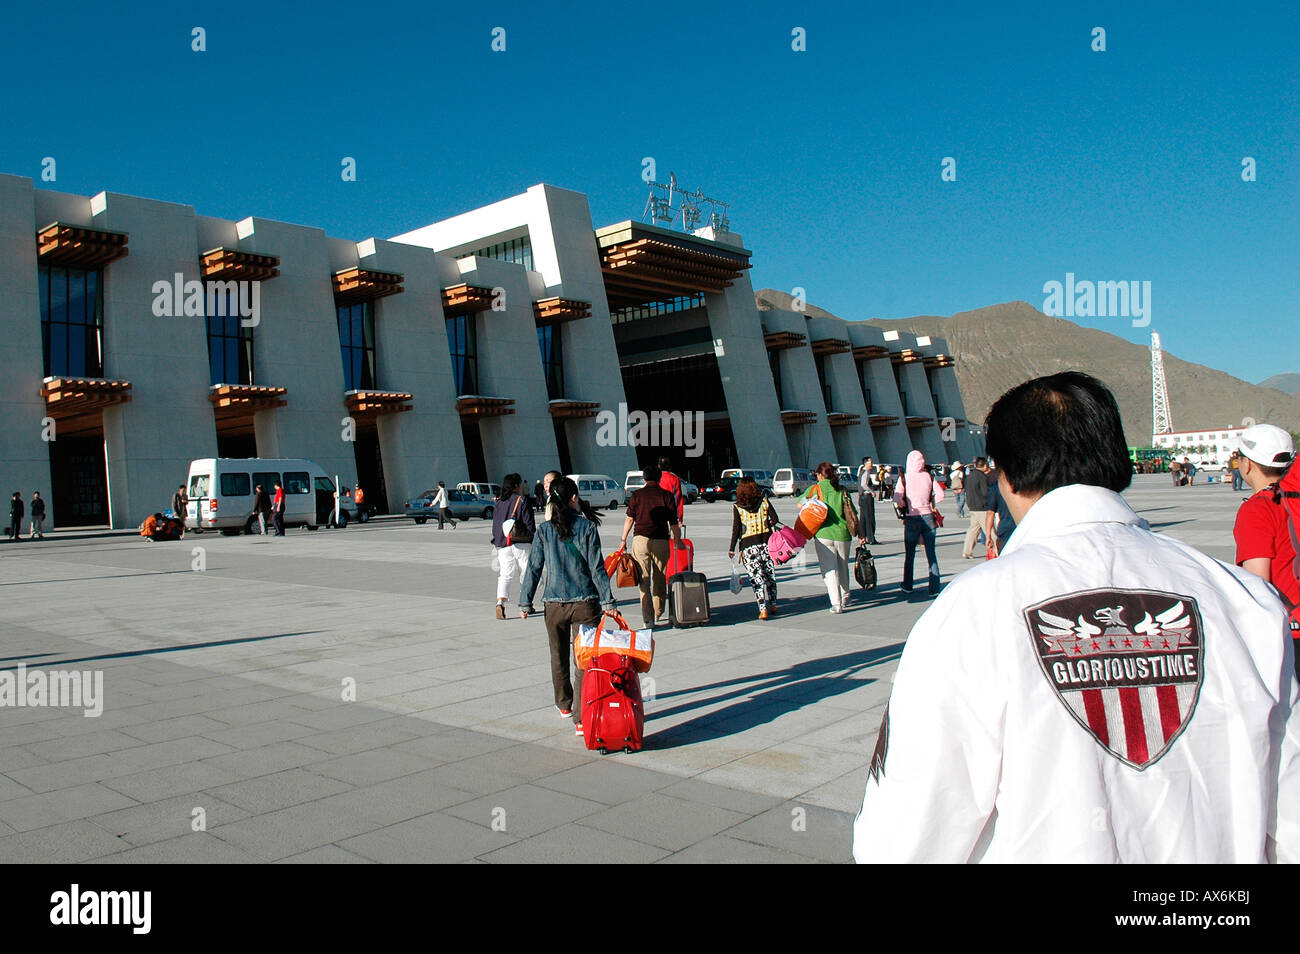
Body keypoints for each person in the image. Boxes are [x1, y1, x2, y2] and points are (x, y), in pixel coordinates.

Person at [853, 371, 1300, 863]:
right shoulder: (1245, 600)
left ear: (1008, 477)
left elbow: (904, 839)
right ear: (1116, 463)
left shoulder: (971, 609)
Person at [519, 476, 617, 737]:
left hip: (553, 605)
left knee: (557, 654)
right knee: (583, 660)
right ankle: (581, 718)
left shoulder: (544, 531)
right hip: (584, 603)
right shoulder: (586, 528)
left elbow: (534, 568)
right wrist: (608, 601)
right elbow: (597, 568)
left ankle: (564, 704)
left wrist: (525, 601)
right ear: (574, 498)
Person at [1232, 424, 1299, 677]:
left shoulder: (1258, 509)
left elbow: (1258, 582)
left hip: (1290, 630)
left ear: (1246, 464)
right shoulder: (1293, 499)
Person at [619, 464, 682, 627]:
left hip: (640, 540)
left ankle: (648, 619)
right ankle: (658, 611)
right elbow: (673, 521)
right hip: (661, 540)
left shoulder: (637, 495)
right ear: (659, 478)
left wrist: (623, 539)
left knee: (643, 579)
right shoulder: (666, 495)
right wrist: (678, 539)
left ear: (644, 479)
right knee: (659, 577)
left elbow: (629, 519)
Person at [800, 461, 865, 613]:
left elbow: (800, 504)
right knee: (843, 566)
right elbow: (852, 512)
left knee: (829, 570)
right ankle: (846, 595)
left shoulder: (815, 489)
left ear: (820, 475)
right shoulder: (841, 490)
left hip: (823, 534)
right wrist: (861, 533)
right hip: (843, 533)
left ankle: (836, 604)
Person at [728, 477, 780, 620]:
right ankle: (774, 604)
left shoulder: (738, 506)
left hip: (749, 547)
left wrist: (732, 548)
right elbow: (775, 519)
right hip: (766, 545)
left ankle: (762, 609)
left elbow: (736, 529)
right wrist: (767, 524)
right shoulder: (764, 501)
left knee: (757, 578)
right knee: (770, 576)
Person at [893, 450, 944, 595]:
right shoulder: (928, 476)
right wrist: (930, 502)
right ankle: (934, 588)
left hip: (911, 516)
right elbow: (940, 495)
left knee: (910, 554)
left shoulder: (905, 478)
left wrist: (905, 503)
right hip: (928, 516)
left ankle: (908, 585)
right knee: (931, 553)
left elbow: (897, 498)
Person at [492, 473, 536, 620]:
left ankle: (500, 602)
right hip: (521, 542)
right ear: (516, 486)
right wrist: (534, 536)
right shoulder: (521, 500)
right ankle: (525, 604)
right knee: (525, 571)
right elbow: (529, 522)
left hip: (503, 544)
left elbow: (495, 525)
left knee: (505, 574)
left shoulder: (499, 502)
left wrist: (498, 542)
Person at [984, 462, 1016, 556]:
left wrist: (988, 535)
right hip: (1022, 530)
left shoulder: (995, 487)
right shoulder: (1023, 485)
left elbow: (990, 513)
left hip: (1005, 530)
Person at [962, 457, 990, 559]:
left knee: (973, 530)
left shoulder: (969, 476)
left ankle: (967, 551)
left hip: (972, 506)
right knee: (990, 530)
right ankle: (996, 549)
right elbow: (985, 492)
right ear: (985, 465)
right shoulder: (982, 477)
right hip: (982, 507)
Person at [656, 456, 686, 527]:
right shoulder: (675, 479)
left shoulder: (655, 478)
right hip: (671, 516)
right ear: (670, 467)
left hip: (656, 516)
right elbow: (678, 500)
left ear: (658, 466)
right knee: (674, 537)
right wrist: (680, 519)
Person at [856, 457, 879, 545]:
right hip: (866, 497)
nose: (872, 464)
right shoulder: (866, 472)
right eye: (871, 462)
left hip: (862, 497)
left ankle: (863, 536)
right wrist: (871, 491)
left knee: (863, 519)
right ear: (866, 463)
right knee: (869, 517)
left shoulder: (862, 472)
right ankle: (871, 538)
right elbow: (863, 484)